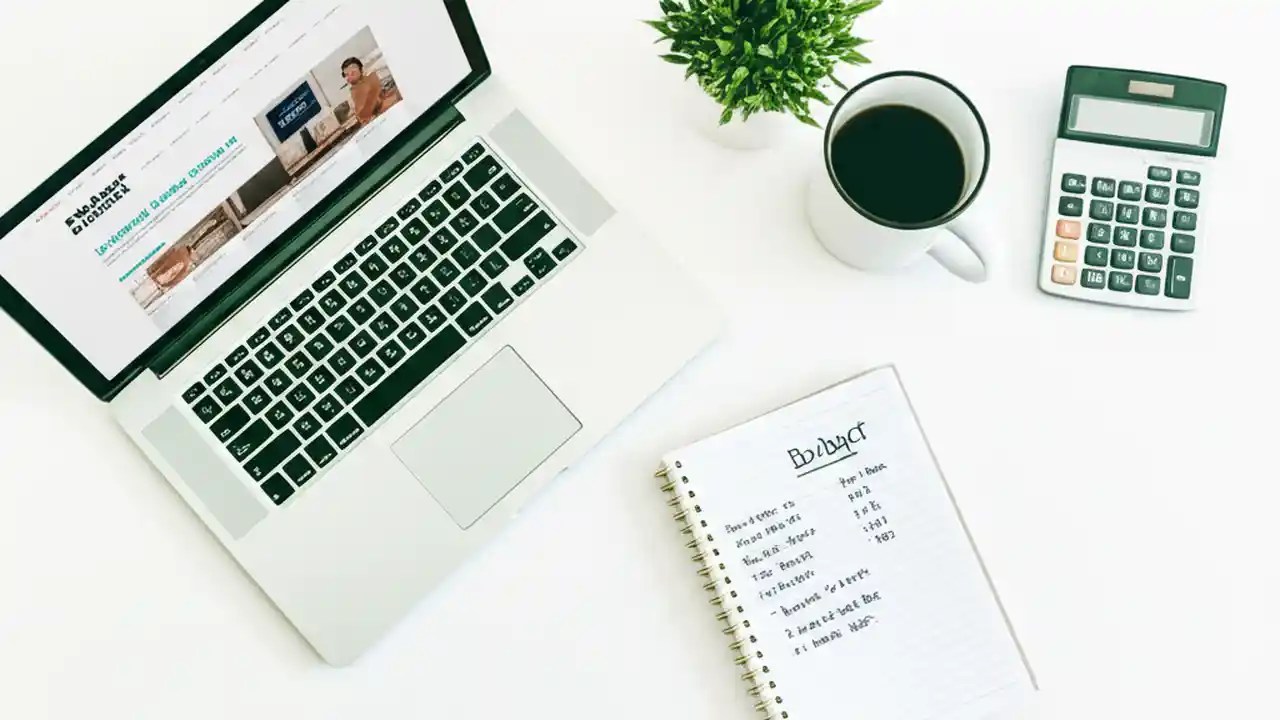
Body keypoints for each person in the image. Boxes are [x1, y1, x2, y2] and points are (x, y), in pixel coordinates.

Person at [342, 57, 383, 125]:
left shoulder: (372, 78)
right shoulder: (352, 95)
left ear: (361, 70)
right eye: (346, 75)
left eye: (352, 73)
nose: (349, 77)